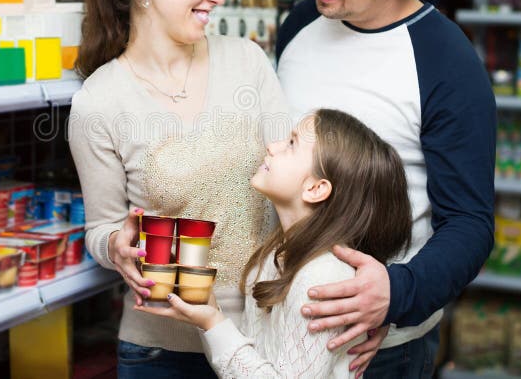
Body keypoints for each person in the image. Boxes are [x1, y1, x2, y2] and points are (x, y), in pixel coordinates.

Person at [276, 0, 496, 377]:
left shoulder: (447, 63)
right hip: (280, 320)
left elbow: (471, 223)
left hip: (378, 347)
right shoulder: (301, 23)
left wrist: (396, 292)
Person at [68, 0, 290, 378]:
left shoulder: (247, 61)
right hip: (162, 354)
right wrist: (117, 246)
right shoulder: (99, 101)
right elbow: (101, 228)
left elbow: (296, 178)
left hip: (265, 336)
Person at [137, 109, 413, 378]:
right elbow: (246, 363)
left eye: (291, 144)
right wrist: (210, 315)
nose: (272, 146)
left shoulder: (322, 278)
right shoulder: (274, 254)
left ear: (316, 188)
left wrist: (214, 324)